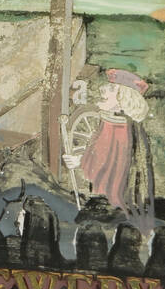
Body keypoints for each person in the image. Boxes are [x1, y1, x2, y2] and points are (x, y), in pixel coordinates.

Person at [62, 68, 154, 214]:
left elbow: (104, 159)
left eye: (111, 88)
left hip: (112, 198)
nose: (102, 90)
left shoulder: (118, 125)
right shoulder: (122, 122)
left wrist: (79, 160)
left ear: (123, 97)